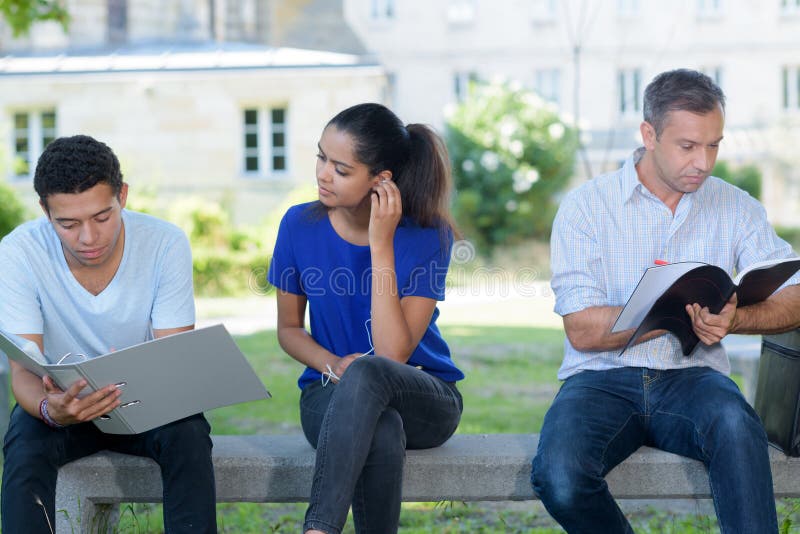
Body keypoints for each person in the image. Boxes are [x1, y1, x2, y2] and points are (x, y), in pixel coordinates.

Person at [532, 68, 800, 533]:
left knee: (739, 429)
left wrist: (735, 320)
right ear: (649, 134)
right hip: (599, 382)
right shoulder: (585, 207)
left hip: (694, 380)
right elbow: (582, 329)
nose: (704, 162)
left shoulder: (736, 206)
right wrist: (674, 310)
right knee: (559, 476)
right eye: (688, 146)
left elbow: (794, 296)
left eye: (714, 144)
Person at [0, 135, 216, 533]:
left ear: (123, 196)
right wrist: (52, 410)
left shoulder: (164, 243)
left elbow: (175, 357)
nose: (88, 237)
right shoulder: (18, 253)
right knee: (24, 440)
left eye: (102, 217)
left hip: (149, 405)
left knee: (188, 433)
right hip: (64, 406)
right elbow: (23, 372)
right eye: (67, 224)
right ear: (45, 212)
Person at [268, 103, 464, 534]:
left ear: (381, 179)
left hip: (425, 396)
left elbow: (393, 354)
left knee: (372, 373)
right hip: (328, 392)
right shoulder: (298, 225)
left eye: (340, 168)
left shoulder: (429, 236)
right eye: (321, 157)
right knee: (380, 426)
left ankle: (318, 529)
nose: (322, 173)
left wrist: (382, 244)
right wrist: (333, 364)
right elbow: (288, 329)